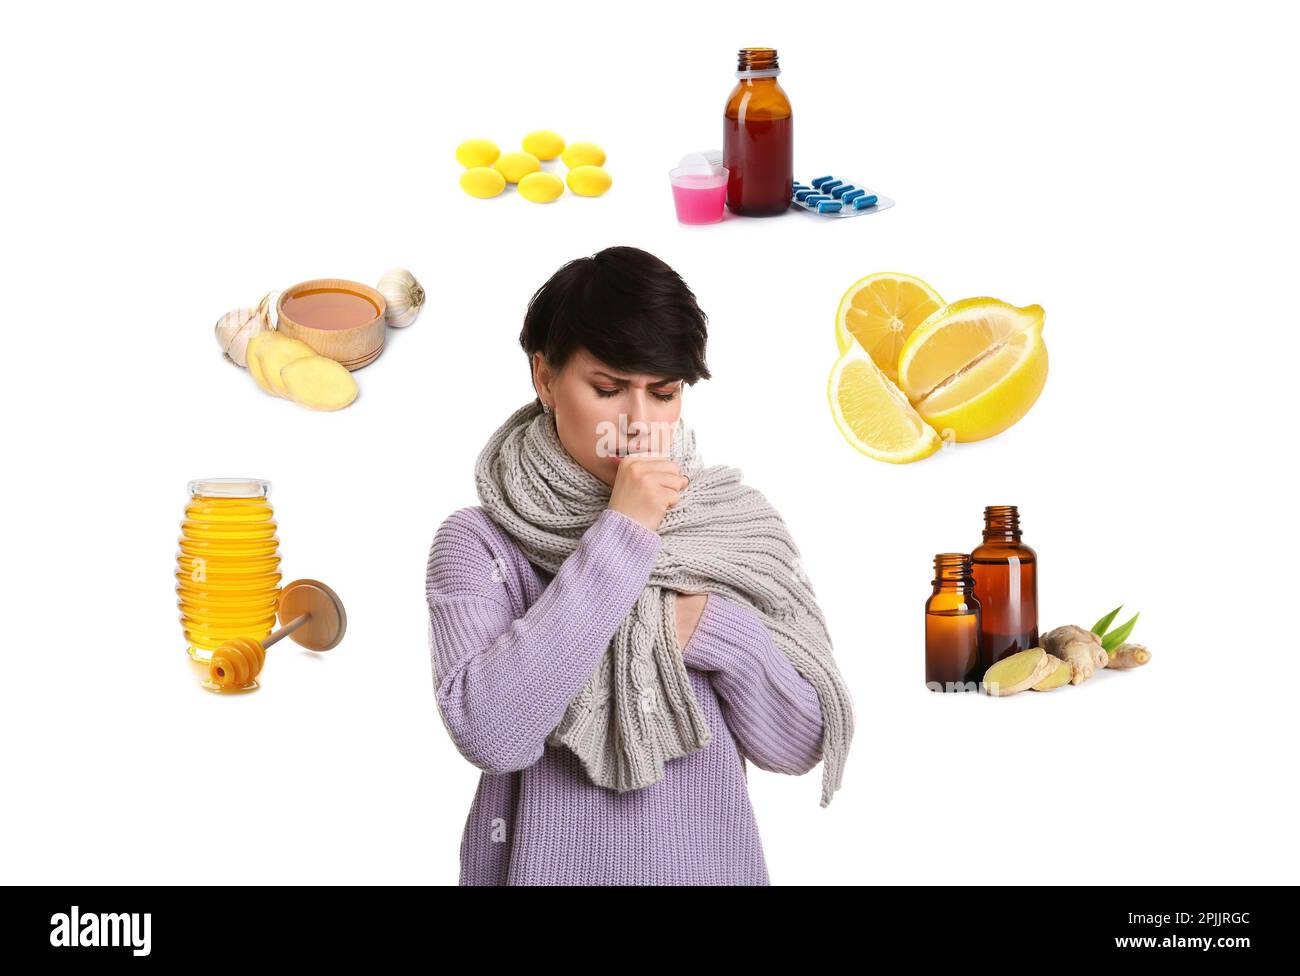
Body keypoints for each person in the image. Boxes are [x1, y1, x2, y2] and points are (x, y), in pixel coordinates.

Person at [426, 246, 854, 885]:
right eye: (607, 389)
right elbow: (493, 733)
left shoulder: (730, 530)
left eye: (663, 393)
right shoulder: (480, 544)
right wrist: (622, 534)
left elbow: (798, 743)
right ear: (544, 378)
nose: (637, 423)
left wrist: (703, 625)